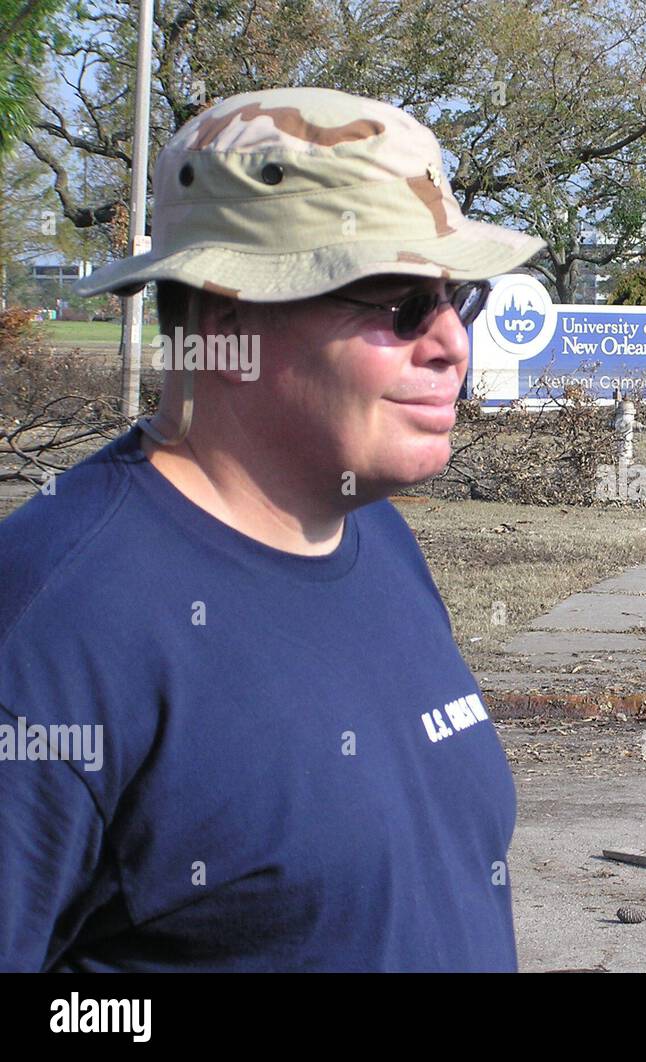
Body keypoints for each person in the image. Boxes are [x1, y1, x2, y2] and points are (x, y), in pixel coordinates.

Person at [0, 87, 544, 971]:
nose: (451, 341)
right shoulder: (55, 629)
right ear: (228, 316)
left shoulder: (379, 547)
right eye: (401, 302)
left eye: (460, 296)